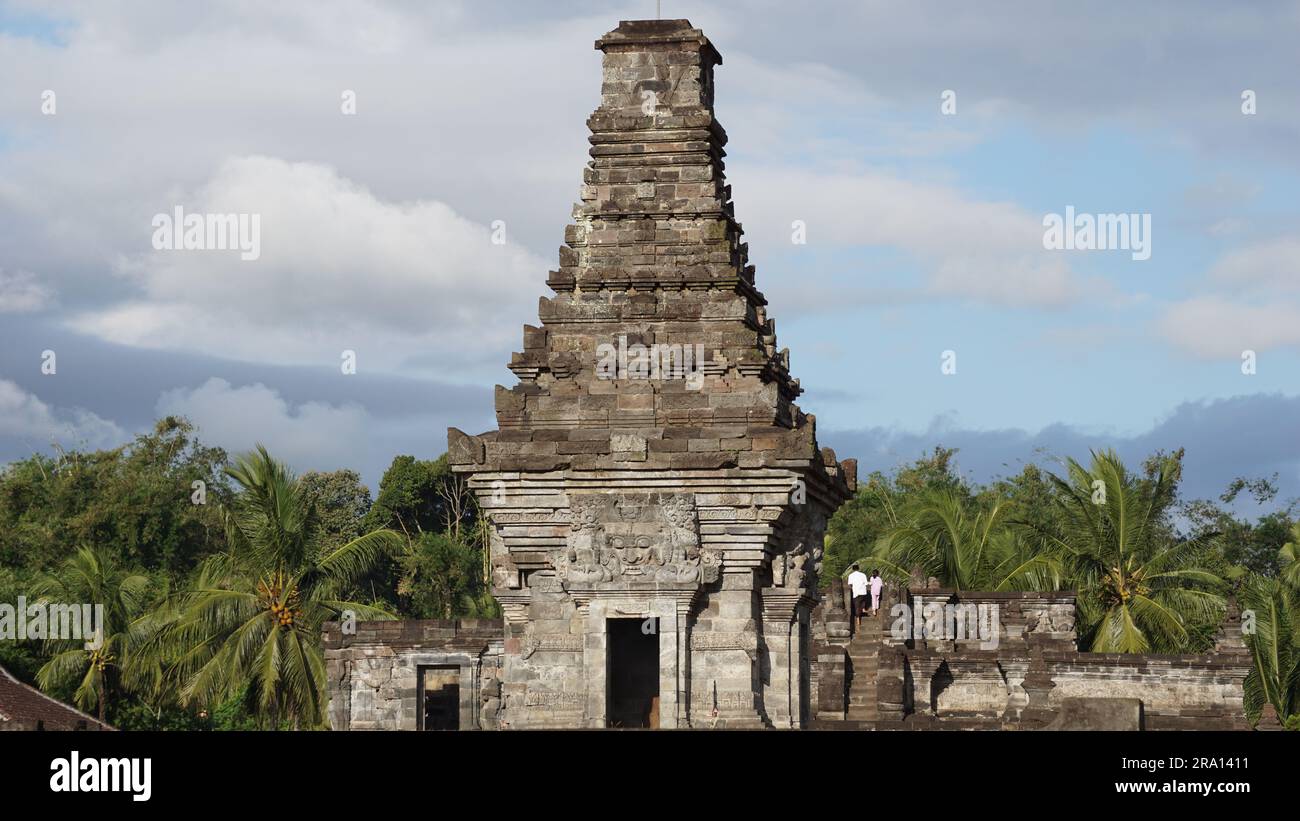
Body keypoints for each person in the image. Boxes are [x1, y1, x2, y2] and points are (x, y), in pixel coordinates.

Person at [846, 563, 869, 629]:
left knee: (856, 606)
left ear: (853, 569)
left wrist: (854, 587)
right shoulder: (863, 575)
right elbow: (866, 583)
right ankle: (863, 609)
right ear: (858, 568)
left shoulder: (851, 575)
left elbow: (850, 584)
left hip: (856, 592)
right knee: (862, 602)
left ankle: (858, 620)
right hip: (862, 591)